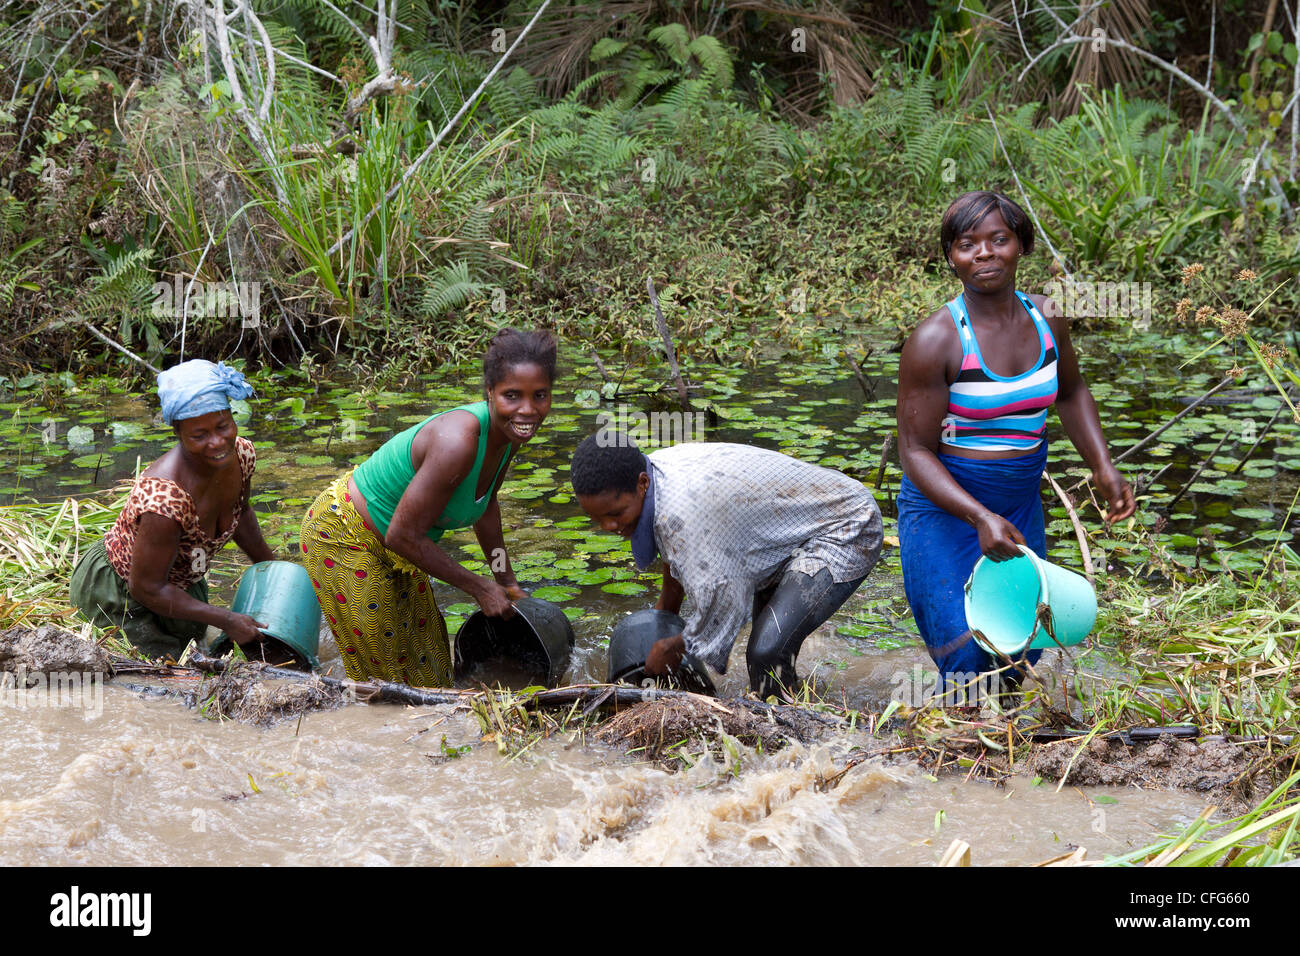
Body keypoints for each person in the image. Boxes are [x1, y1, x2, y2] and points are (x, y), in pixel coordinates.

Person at [895, 190, 1135, 697]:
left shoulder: (1047, 318)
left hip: (1019, 503)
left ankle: (1002, 765)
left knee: (1017, 650)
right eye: (967, 244)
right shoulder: (937, 339)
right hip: (946, 510)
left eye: (997, 239)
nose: (984, 253)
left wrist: (1103, 467)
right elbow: (915, 451)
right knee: (962, 656)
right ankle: (953, 759)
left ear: (1021, 245)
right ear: (952, 257)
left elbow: (1071, 392)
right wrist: (979, 517)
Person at [299, 328, 556, 686]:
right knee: (384, 681)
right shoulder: (459, 441)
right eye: (512, 395)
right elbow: (402, 534)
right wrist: (480, 588)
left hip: (398, 544)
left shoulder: (510, 436)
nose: (528, 410)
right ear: (489, 394)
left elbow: (487, 506)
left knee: (432, 670)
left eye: (539, 396)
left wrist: (506, 580)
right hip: (344, 535)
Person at [570, 432, 883, 699]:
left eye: (615, 514)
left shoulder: (683, 514)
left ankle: (795, 740)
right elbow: (673, 553)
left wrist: (675, 646)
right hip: (780, 534)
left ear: (641, 484)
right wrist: (663, 617)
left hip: (842, 528)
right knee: (766, 658)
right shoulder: (653, 475)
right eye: (597, 519)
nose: (608, 527)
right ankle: (793, 701)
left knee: (767, 654)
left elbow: (726, 603)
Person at [70, 359, 276, 660]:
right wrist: (227, 619)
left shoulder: (241, 455)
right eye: (199, 435)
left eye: (223, 426)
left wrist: (276, 572)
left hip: (181, 578)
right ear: (178, 431)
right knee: (162, 676)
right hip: (120, 593)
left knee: (201, 652)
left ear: (232, 417)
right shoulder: (164, 499)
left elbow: (241, 515)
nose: (218, 442)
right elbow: (147, 588)